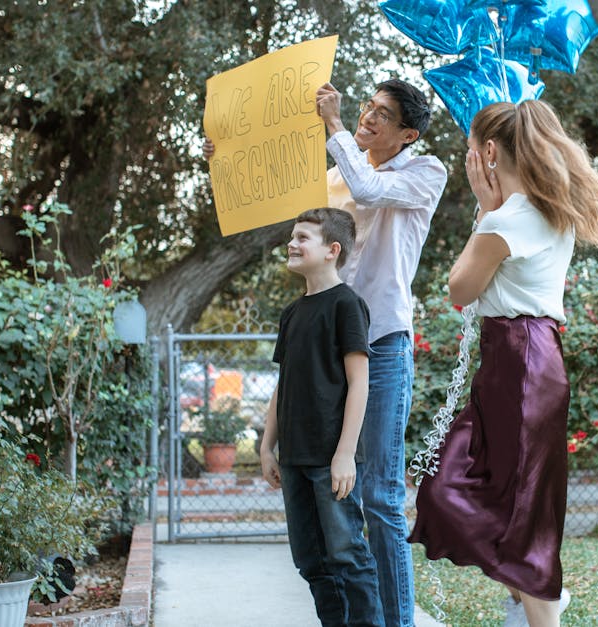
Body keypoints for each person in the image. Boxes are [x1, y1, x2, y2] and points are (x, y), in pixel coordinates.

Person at [206, 78, 446, 627]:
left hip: (381, 346)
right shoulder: (336, 174)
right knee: (335, 501)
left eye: (383, 115)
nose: (368, 117)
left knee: (381, 496)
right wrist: (227, 161)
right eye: (367, 107)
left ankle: (397, 621)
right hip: (327, 353)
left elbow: (368, 191)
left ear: (408, 134)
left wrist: (334, 125)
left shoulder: (424, 173)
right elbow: (283, 211)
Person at [406, 100, 598, 627]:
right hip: (524, 358)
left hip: (520, 360)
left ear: (490, 152)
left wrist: (483, 205)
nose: (470, 157)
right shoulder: (547, 208)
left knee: (506, 504)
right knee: (504, 497)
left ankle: (543, 609)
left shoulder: (509, 218)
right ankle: (529, 602)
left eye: (472, 148)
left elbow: (459, 288)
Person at [259, 207, 381, 626]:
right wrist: (266, 445)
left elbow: (359, 383)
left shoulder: (347, 305)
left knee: (347, 556)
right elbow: (284, 383)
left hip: (332, 460)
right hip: (294, 457)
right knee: (311, 562)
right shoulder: (291, 313)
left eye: (302, 238)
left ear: (332, 250)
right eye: (292, 236)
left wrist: (345, 454)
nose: (291, 244)